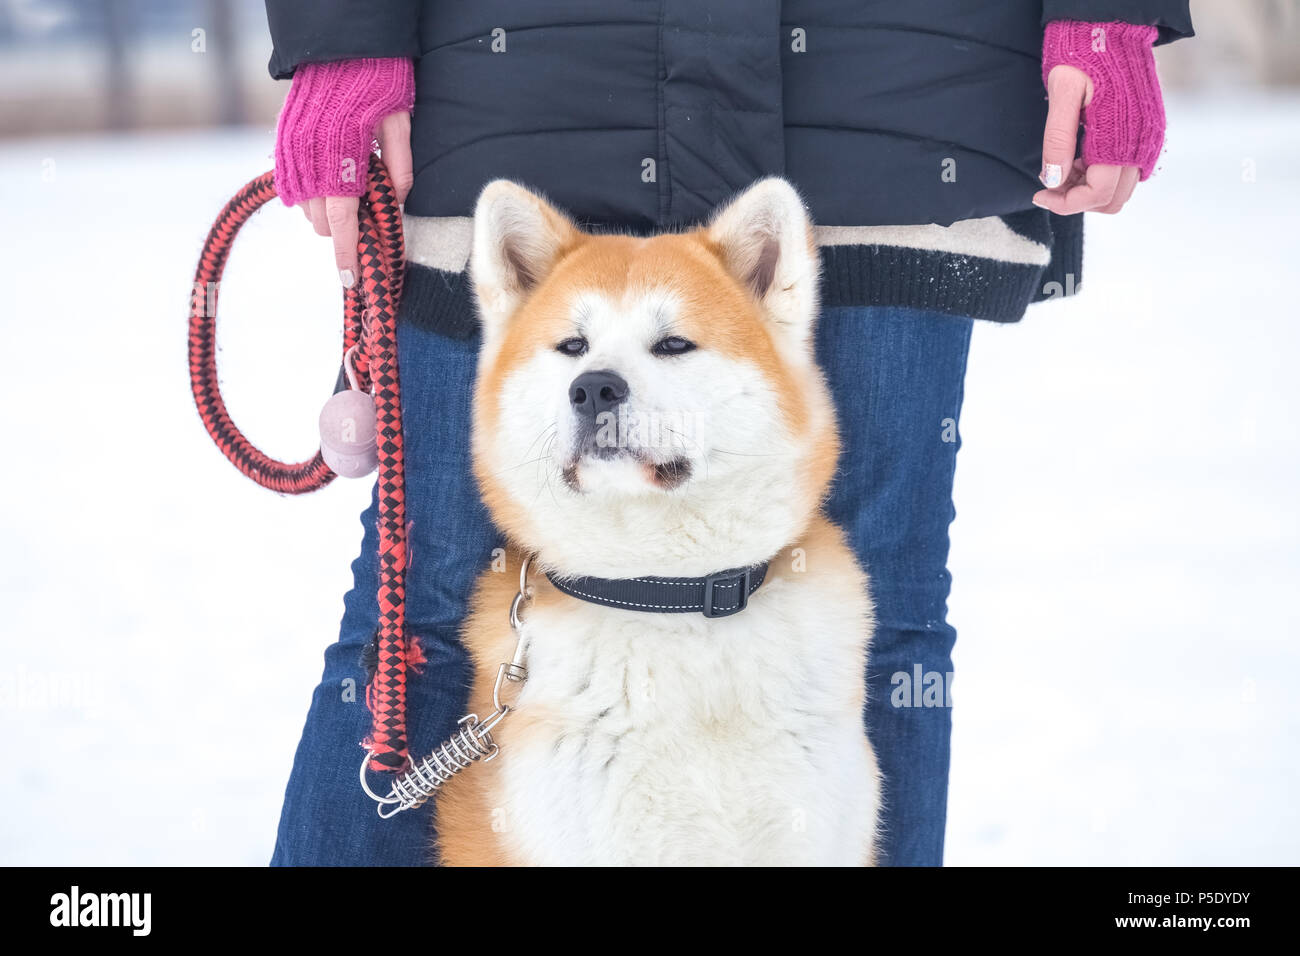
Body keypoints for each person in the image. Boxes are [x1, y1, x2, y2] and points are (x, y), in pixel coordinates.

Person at [264, 0, 1193, 866]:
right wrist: (343, 27)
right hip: (516, 82)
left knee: (888, 610)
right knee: (415, 607)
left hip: (889, 93)